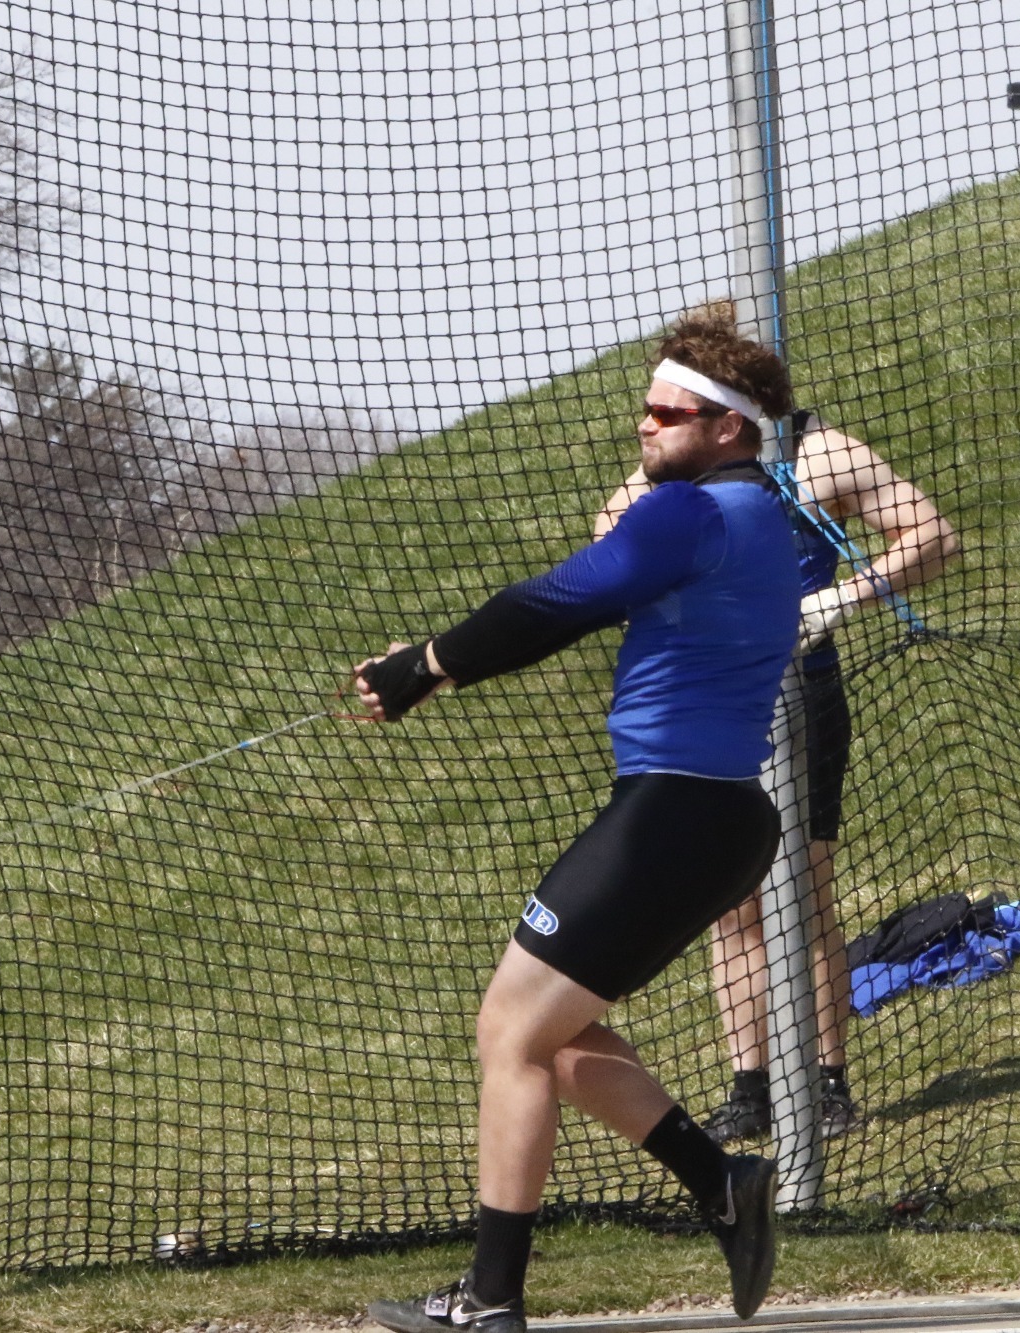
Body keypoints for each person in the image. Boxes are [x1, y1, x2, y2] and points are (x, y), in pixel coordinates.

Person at [358, 317, 801, 1333]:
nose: (643, 428)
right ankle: (722, 1184)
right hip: (716, 815)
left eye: (666, 413)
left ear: (729, 429)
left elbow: (548, 604)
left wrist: (421, 667)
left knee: (509, 1032)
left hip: (675, 813)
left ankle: (490, 1302)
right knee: (550, 1038)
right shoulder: (765, 513)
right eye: (642, 409)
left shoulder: (687, 512)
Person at [595, 367, 959, 1143]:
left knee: (802, 887)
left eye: (670, 408)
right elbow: (609, 541)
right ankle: (749, 1086)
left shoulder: (819, 452)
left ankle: (827, 1082)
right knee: (731, 909)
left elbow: (931, 535)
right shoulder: (681, 463)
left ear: (733, 408)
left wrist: (839, 598)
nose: (649, 424)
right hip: (711, 706)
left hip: (800, 696)